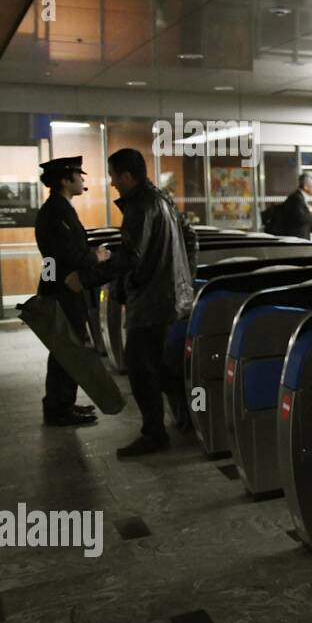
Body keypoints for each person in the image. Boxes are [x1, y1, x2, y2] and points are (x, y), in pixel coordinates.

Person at [71, 148, 197, 457]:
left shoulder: (141, 206)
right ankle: (189, 419)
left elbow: (129, 256)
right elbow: (190, 238)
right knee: (163, 365)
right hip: (173, 299)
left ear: (128, 176)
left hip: (152, 302)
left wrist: (85, 279)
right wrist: (184, 281)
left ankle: (154, 434)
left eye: (113, 176)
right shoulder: (163, 199)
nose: (112, 182)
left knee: (141, 369)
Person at [34, 156, 111, 427]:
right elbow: (69, 252)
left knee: (66, 349)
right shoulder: (57, 210)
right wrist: (96, 256)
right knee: (68, 349)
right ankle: (58, 408)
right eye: (79, 175)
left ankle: (62, 404)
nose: (83, 179)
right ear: (65, 180)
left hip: (62, 287)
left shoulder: (58, 208)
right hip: (64, 290)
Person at [280, 171, 312, 240]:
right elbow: (302, 219)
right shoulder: (296, 199)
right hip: (296, 243)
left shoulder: (300, 198)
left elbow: (308, 222)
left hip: (299, 242)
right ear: (306, 186)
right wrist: (309, 210)